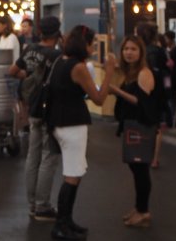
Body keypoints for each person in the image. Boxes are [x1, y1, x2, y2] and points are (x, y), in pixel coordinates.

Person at [45, 25, 116, 240]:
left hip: (58, 121)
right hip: (72, 124)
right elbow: (99, 98)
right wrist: (109, 71)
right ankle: (61, 225)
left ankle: (67, 221)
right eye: (91, 44)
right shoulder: (78, 67)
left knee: (73, 173)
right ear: (83, 45)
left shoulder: (61, 61)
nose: (93, 48)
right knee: (72, 175)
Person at [8, 15, 62, 222]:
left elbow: (12, 71)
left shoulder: (29, 49)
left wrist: (29, 75)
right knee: (49, 155)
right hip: (49, 108)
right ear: (57, 33)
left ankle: (32, 204)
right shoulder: (55, 55)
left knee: (33, 156)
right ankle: (42, 205)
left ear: (40, 31)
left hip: (32, 106)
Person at [112, 35, 158, 230]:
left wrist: (116, 91)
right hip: (131, 125)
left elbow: (141, 102)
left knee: (140, 169)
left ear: (141, 52)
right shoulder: (131, 73)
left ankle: (144, 211)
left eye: (133, 49)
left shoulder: (144, 73)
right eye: (126, 49)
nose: (129, 53)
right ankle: (139, 207)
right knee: (135, 167)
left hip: (141, 127)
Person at [135, 22, 169, 169]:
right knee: (157, 125)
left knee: (143, 122)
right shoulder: (160, 51)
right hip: (159, 90)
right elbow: (167, 69)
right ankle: (154, 159)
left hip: (144, 88)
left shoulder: (140, 52)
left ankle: (142, 154)